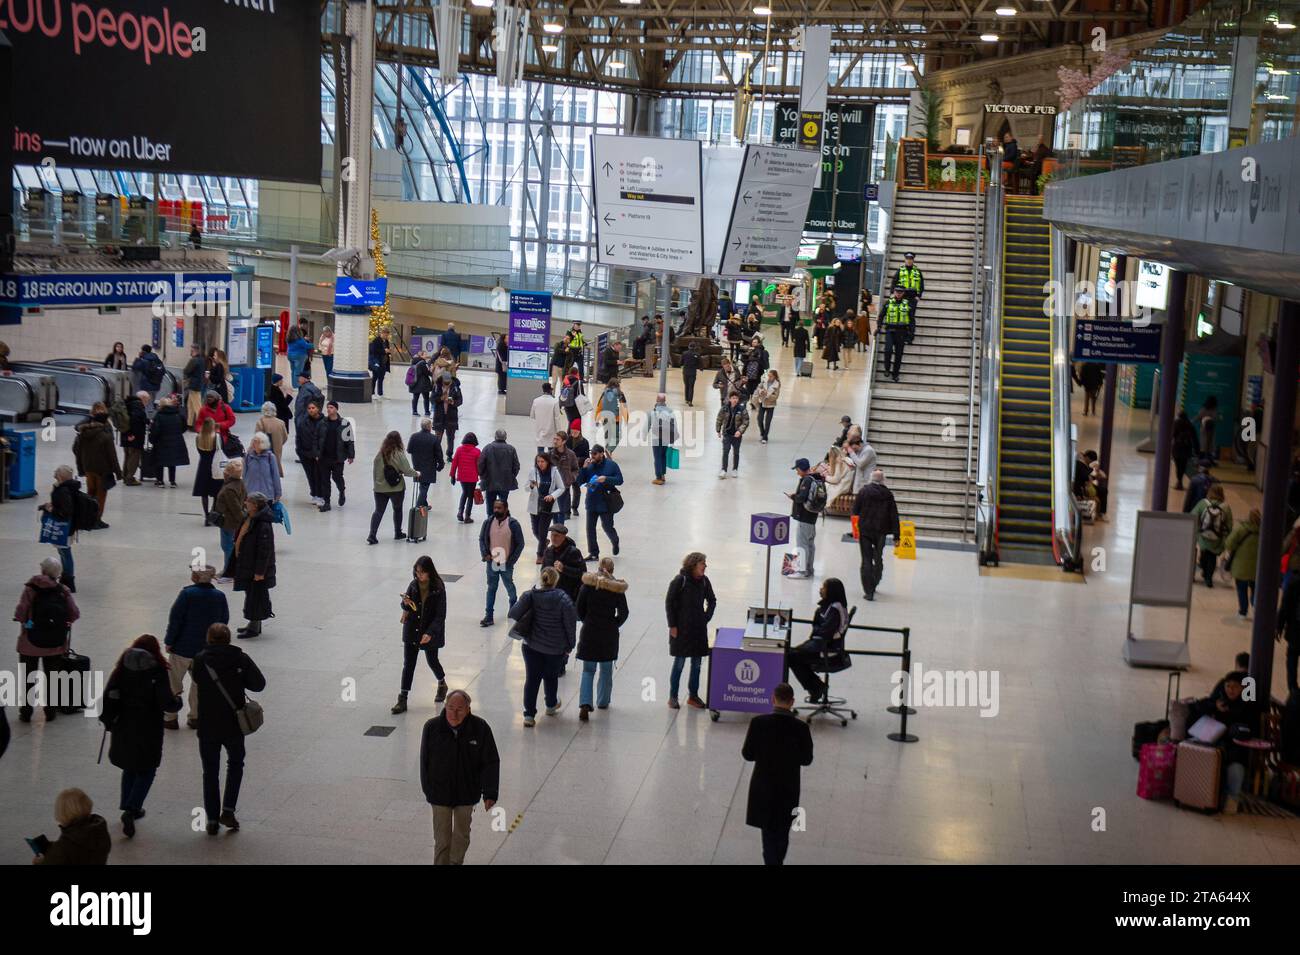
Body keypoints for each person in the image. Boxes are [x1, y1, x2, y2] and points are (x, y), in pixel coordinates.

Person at [100, 634, 182, 836]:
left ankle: (127, 804)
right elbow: (166, 702)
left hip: (124, 725)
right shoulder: (157, 670)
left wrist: (108, 720)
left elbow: (110, 694)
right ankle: (132, 808)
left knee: (130, 766)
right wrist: (178, 702)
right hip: (148, 728)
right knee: (147, 769)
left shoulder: (122, 667)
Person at [191, 623, 266, 833]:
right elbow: (259, 684)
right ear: (228, 638)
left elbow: (197, 679)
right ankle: (229, 810)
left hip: (207, 725)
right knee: (235, 764)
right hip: (233, 724)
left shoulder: (200, 660)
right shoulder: (240, 658)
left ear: (208, 638)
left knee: (210, 772)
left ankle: (212, 820)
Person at [419, 689, 499, 864]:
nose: (454, 713)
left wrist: (490, 793)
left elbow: (490, 761)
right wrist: (429, 790)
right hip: (440, 793)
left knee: (462, 836)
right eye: (450, 708)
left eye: (459, 709)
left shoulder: (480, 728)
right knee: (442, 840)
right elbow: (424, 762)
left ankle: (456, 862)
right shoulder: (432, 728)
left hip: (467, 793)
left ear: (468, 709)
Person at [742, 682, 814, 865]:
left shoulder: (758, 723)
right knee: (782, 831)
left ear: (772, 699)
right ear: (792, 702)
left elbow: (748, 754)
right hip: (788, 788)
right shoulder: (801, 728)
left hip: (763, 787)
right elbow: (807, 759)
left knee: (767, 834)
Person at [14, 556, 80, 723]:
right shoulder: (63, 590)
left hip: (30, 642)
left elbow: (21, 611)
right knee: (52, 677)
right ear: (57, 574)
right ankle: (50, 711)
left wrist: (24, 620)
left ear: (42, 570)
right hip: (55, 644)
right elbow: (74, 613)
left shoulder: (30, 589)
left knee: (29, 677)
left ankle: (26, 711)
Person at [163, 565, 230, 730]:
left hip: (182, 648)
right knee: (199, 684)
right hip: (206, 650)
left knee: (173, 682)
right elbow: (224, 620)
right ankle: (196, 717)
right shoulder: (219, 596)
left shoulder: (187, 594)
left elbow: (176, 619)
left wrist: (169, 641)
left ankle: (170, 717)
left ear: (195, 577)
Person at [508, 567, 577, 726]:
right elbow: (570, 625)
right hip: (555, 648)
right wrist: (570, 645)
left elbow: (513, 613)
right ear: (556, 580)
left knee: (532, 679)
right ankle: (551, 704)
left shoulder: (530, 595)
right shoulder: (563, 600)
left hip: (531, 646)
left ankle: (529, 715)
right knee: (551, 676)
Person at [393, 556, 449, 713]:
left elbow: (440, 615)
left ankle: (442, 683)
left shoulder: (438, 588)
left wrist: (430, 633)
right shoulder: (413, 585)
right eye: (417, 572)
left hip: (429, 631)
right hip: (413, 630)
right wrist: (405, 603)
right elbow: (410, 607)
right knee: (409, 664)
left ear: (430, 572)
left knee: (432, 661)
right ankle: (403, 698)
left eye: (422, 572)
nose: (419, 575)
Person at [574, 557, 628, 720]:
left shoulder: (587, 586)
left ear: (598, 568)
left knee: (588, 670)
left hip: (590, 631)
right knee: (605, 669)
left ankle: (585, 703)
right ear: (612, 571)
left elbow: (578, 609)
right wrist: (614, 624)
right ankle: (603, 701)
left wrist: (587, 620)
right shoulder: (616, 590)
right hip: (608, 634)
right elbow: (624, 613)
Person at [665, 551, 716, 710]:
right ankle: (673, 696)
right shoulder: (680, 581)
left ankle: (693, 696)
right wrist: (672, 626)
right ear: (694, 565)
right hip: (681, 630)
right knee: (679, 663)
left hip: (698, 630)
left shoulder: (704, 581)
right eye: (703, 563)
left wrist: (706, 617)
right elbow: (669, 603)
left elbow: (712, 600)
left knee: (697, 664)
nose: (705, 566)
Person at [787, 578, 850, 701]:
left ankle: (816, 687)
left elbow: (824, 633)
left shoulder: (834, 610)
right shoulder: (831, 606)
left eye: (824, 587)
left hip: (827, 649)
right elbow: (819, 628)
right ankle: (816, 686)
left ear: (831, 591)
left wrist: (815, 631)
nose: (820, 590)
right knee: (792, 654)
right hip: (823, 645)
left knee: (791, 656)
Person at [231, 492, 276, 638]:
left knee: (254, 596)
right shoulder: (251, 518)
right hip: (247, 563)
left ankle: (254, 627)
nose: (245, 503)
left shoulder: (262, 524)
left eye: (248, 501)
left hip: (255, 568)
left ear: (255, 505)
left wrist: (259, 572)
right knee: (251, 594)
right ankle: (253, 623)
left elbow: (264, 550)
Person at [853, 469, 900, 600]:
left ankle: (869, 591)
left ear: (871, 478)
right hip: (881, 531)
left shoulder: (863, 491)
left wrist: (855, 530)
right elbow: (894, 516)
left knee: (866, 560)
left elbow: (855, 511)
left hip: (865, 530)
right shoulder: (888, 494)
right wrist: (897, 536)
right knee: (878, 557)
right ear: (883, 479)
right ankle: (876, 580)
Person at [30, 788, 110, 865]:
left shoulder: (64, 847)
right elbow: (81, 850)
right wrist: (54, 849)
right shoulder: (99, 829)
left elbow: (67, 851)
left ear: (63, 813)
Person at [72, 401, 120, 526]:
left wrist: (82, 463)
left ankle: (88, 518)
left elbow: (76, 448)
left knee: (90, 492)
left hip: (88, 466)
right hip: (102, 468)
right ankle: (96, 519)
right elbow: (112, 454)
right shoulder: (106, 432)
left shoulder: (84, 431)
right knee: (101, 494)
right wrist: (118, 473)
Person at [479, 498, 524, 627]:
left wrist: (511, 561)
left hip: (506, 562)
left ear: (506, 509)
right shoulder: (488, 522)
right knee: (491, 588)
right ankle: (489, 615)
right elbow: (482, 539)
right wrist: (485, 554)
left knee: (509, 585)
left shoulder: (513, 524)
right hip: (492, 561)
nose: (496, 510)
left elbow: (520, 544)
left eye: (499, 508)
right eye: (495, 508)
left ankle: (513, 605)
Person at [369, 431, 420, 544]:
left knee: (378, 511)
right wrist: (416, 473)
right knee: (397, 509)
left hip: (380, 489)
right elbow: (406, 470)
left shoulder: (379, 454)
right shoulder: (398, 454)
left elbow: (375, 472)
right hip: (396, 488)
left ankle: (372, 535)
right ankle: (398, 532)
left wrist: (377, 485)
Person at [576, 444, 623, 561]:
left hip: (606, 502)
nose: (592, 456)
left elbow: (620, 480)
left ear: (602, 454)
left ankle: (615, 540)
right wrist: (583, 468)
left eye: (595, 454)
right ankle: (593, 553)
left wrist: (606, 479)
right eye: (592, 454)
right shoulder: (589, 466)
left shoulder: (611, 465)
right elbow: (579, 482)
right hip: (592, 501)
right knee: (590, 528)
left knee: (607, 526)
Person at [40, 466, 79, 591]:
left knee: (65, 552)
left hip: (65, 527)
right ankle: (66, 577)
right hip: (68, 526)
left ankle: (69, 579)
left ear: (61, 476)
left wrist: (51, 509)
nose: (54, 473)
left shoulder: (63, 490)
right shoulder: (64, 487)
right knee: (63, 552)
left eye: (56, 472)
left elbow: (66, 510)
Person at [1189, 484, 1233, 588]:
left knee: (1204, 554)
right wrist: (1226, 537)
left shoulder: (1203, 503)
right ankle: (1209, 578)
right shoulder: (1226, 507)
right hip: (1217, 539)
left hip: (1203, 536)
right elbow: (1229, 525)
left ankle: (1204, 570)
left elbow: (1192, 515)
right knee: (1212, 557)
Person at [527, 452, 567, 561]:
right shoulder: (533, 471)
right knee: (535, 530)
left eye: (542, 461)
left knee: (543, 530)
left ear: (548, 462)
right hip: (535, 504)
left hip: (548, 505)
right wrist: (530, 486)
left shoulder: (554, 472)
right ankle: (544, 542)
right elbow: (526, 487)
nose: (540, 464)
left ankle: (540, 554)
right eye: (538, 461)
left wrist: (552, 496)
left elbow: (561, 488)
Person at [787, 458, 823, 578]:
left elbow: (802, 498)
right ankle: (809, 569)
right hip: (812, 517)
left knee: (802, 545)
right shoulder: (816, 478)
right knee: (810, 545)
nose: (797, 472)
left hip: (805, 517)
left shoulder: (807, 480)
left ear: (801, 469)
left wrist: (793, 497)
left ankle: (801, 572)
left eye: (797, 469)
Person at [1223, 508, 1261, 617]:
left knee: (1241, 589)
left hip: (1241, 567)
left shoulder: (1241, 529)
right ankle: (1255, 605)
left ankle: (1243, 611)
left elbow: (1229, 544)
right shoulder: (1264, 531)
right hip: (1257, 568)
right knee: (1255, 588)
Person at [317, 400, 354, 512]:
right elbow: (316, 438)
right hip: (324, 457)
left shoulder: (344, 423)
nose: (329, 409)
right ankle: (327, 503)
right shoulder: (322, 422)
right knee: (325, 481)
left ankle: (341, 491)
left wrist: (351, 455)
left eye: (331, 407)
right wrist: (316, 452)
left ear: (336, 409)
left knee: (337, 477)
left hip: (338, 457)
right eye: (328, 407)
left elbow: (349, 440)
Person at [213, 460, 246, 582]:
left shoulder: (229, 489)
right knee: (229, 546)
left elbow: (235, 508)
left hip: (229, 523)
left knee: (227, 547)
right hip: (233, 522)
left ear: (229, 473)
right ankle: (227, 569)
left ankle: (229, 572)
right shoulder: (240, 483)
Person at [147, 394, 189, 487]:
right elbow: (184, 427)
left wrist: (152, 439)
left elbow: (155, 430)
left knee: (159, 462)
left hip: (161, 442)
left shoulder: (159, 416)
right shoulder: (177, 414)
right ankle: (172, 481)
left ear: (161, 406)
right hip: (176, 441)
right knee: (172, 462)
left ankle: (160, 481)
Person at [477, 428, 521, 509]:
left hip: (490, 482)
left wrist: (483, 476)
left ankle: (491, 520)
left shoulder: (487, 448)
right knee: (502, 506)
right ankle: (501, 520)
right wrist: (511, 476)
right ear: (505, 437)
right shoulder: (511, 449)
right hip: (505, 482)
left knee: (490, 506)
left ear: (495, 437)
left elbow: (480, 464)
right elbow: (516, 466)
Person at [192, 418, 224, 522]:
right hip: (214, 465)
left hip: (203, 465)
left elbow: (199, 451)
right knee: (215, 491)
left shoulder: (198, 437)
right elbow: (221, 449)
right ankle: (213, 513)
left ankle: (206, 515)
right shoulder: (216, 437)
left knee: (204, 492)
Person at [295, 399, 327, 505]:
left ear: (318, 409)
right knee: (310, 475)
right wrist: (299, 450)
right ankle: (314, 494)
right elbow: (298, 437)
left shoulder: (325, 422)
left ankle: (321, 495)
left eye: (313, 408)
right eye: (309, 408)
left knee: (320, 475)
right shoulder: (303, 422)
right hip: (306, 453)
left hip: (320, 455)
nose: (311, 410)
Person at [409, 417, 445, 509]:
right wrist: (441, 465)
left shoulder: (414, 437)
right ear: (429, 427)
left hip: (417, 465)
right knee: (424, 487)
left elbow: (409, 450)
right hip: (429, 467)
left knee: (422, 485)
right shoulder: (434, 439)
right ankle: (418, 507)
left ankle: (424, 504)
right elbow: (439, 454)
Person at [880, 286, 913, 382]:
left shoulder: (907, 304)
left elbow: (911, 320)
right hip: (890, 330)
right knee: (888, 350)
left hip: (902, 332)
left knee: (898, 355)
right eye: (897, 292)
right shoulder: (888, 303)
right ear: (894, 292)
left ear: (903, 293)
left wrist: (911, 334)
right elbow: (881, 315)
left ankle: (895, 374)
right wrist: (878, 327)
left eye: (900, 292)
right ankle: (887, 368)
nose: (898, 293)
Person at [716, 390, 750, 479]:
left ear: (738, 399)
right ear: (730, 399)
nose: (735, 400)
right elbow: (719, 419)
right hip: (727, 434)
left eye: (736, 398)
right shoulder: (724, 408)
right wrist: (718, 430)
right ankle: (724, 470)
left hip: (737, 436)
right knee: (725, 452)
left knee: (736, 452)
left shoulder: (742, 409)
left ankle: (735, 469)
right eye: (733, 398)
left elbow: (746, 421)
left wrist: (740, 431)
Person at [242, 432, 282, 504]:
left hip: (266, 495)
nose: (253, 443)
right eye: (253, 441)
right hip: (251, 495)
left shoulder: (270, 457)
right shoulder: (248, 456)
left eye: (256, 442)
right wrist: (242, 492)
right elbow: (244, 475)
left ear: (263, 443)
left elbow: (275, 476)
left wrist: (278, 493)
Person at [432, 370, 464, 460]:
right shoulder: (436, 386)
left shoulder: (456, 387)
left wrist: (453, 402)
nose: (446, 384)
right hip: (439, 416)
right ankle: (437, 455)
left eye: (448, 382)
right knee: (438, 437)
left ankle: (449, 455)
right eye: (445, 382)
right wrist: (441, 398)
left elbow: (460, 400)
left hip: (451, 416)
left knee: (450, 438)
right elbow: (433, 399)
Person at [119, 390, 149, 486]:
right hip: (134, 437)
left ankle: (125, 476)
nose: (147, 403)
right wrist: (131, 434)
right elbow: (135, 420)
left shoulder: (129, 404)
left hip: (125, 435)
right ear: (143, 399)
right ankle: (130, 478)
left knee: (127, 456)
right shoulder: (137, 407)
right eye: (147, 400)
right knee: (134, 458)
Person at [451, 432, 482, 523]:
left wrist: (452, 476)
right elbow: (479, 466)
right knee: (470, 496)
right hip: (472, 477)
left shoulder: (459, 450)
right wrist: (482, 476)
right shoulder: (477, 451)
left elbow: (454, 464)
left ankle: (460, 512)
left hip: (462, 476)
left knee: (464, 492)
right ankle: (467, 516)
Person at [648, 393, 678, 486]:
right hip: (666, 437)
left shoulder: (653, 412)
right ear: (665, 401)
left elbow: (647, 425)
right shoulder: (670, 411)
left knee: (657, 457)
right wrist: (673, 439)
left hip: (656, 438)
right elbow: (674, 426)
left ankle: (658, 477)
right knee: (663, 456)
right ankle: (663, 475)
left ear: (657, 400)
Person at [595, 376, 629, 454]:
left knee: (607, 437)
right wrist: (626, 419)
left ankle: (607, 452)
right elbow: (624, 407)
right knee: (617, 437)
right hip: (616, 419)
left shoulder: (604, 393)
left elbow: (599, 406)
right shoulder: (620, 394)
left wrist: (596, 418)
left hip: (605, 418)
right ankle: (609, 450)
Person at [529, 382, 565, 454]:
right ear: (550, 391)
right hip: (551, 431)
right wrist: (559, 432)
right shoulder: (555, 401)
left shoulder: (536, 401)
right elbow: (557, 418)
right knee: (551, 453)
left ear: (543, 390)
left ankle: (540, 464)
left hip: (540, 430)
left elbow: (532, 415)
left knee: (540, 453)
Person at [1278, 575, 1300, 692]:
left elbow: (1285, 608)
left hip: (1295, 633)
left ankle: (1293, 690)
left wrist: (1279, 626)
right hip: (1295, 632)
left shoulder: (1294, 584)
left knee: (1292, 660)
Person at [750, 370, 781, 445]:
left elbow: (775, 396)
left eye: (771, 376)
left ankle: (765, 437)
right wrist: (761, 391)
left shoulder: (777, 384)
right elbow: (758, 388)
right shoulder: (764, 381)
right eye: (768, 376)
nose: (769, 377)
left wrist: (767, 394)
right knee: (759, 419)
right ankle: (762, 433)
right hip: (762, 402)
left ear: (775, 377)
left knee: (768, 421)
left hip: (771, 405)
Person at [566, 424, 590, 518]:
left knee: (576, 489)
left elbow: (586, 456)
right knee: (566, 490)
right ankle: (566, 511)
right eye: (572, 431)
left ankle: (574, 507)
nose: (573, 433)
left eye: (575, 431)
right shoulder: (567, 440)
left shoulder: (584, 442)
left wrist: (577, 459)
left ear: (580, 431)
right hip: (566, 469)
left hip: (577, 469)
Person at [1171, 410, 1199, 491]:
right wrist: (1197, 451)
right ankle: (1180, 481)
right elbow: (1195, 439)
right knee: (1183, 466)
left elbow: (1172, 435)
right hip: (1186, 448)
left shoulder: (1176, 423)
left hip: (1177, 448)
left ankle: (1179, 482)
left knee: (1178, 465)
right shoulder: (1190, 425)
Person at [182, 343, 206, 428]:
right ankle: (189, 423)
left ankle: (202, 425)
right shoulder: (202, 359)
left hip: (194, 385)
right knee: (190, 405)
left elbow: (186, 371)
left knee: (197, 406)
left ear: (193, 350)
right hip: (199, 384)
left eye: (191, 350)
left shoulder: (193, 360)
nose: (190, 351)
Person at [369, 327, 393, 399]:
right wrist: (384, 351)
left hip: (383, 362)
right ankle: (372, 393)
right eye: (385, 334)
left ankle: (380, 393)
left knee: (381, 378)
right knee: (375, 377)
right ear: (381, 333)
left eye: (387, 334)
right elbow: (373, 351)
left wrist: (389, 352)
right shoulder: (376, 340)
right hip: (377, 362)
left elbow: (386, 350)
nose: (386, 336)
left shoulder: (386, 341)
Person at [409, 350, 434, 416]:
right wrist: (431, 370)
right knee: (426, 398)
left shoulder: (413, 361)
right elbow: (427, 373)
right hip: (423, 383)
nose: (426, 356)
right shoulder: (423, 363)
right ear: (421, 355)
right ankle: (427, 411)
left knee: (415, 397)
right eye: (425, 354)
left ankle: (414, 411)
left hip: (415, 382)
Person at [681, 341, 700, 406]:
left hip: (685, 372)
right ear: (695, 347)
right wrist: (700, 368)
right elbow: (699, 363)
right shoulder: (697, 354)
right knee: (691, 387)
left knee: (686, 386)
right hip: (692, 373)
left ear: (688, 347)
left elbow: (681, 362)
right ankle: (690, 401)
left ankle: (686, 399)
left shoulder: (684, 353)